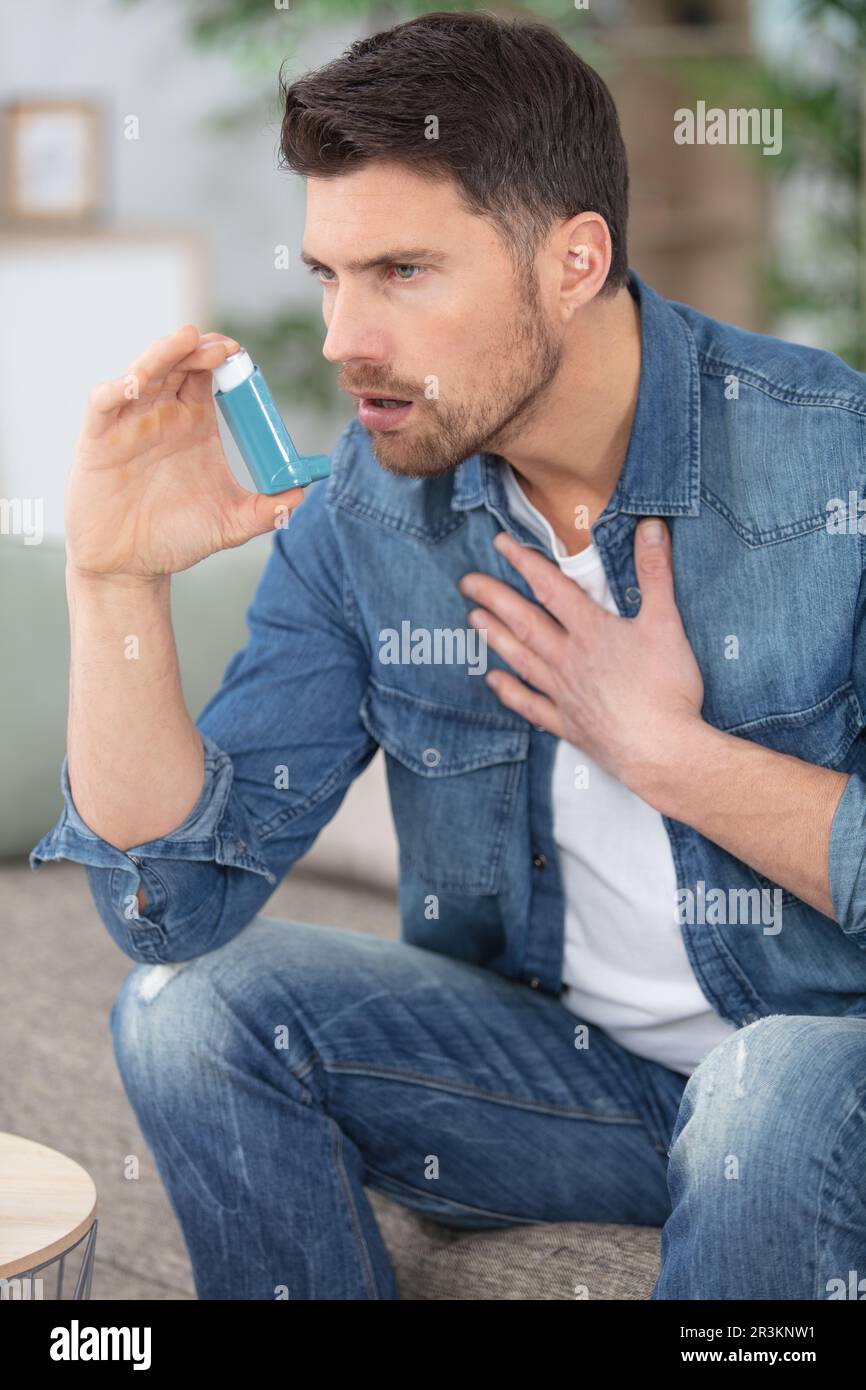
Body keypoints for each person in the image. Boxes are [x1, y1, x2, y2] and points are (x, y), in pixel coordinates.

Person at [31, 11, 866, 1300]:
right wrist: (113, 578)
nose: (341, 336)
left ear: (575, 259)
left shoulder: (834, 464)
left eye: (403, 272)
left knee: (772, 1089)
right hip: (577, 1084)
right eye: (329, 274)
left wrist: (666, 754)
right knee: (190, 1015)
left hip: (828, 1085)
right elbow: (171, 910)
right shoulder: (369, 513)